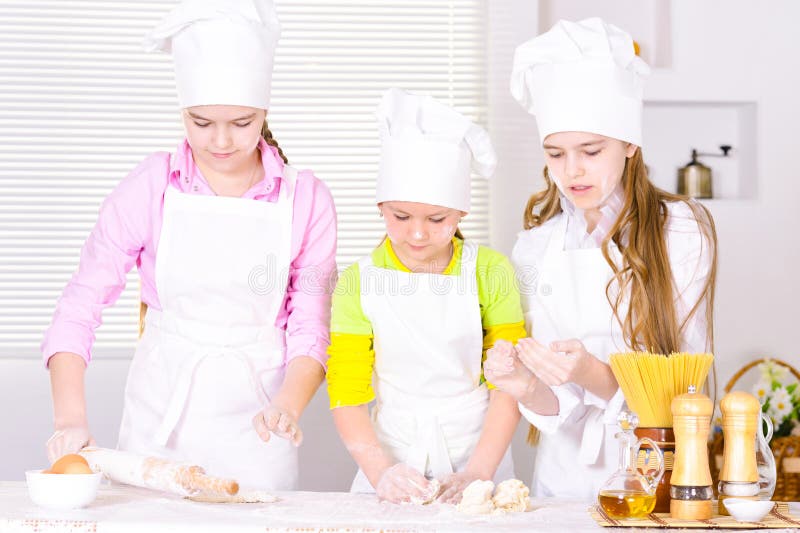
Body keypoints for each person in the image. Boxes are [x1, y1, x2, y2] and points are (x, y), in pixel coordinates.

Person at [41, 0, 337, 490]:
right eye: (201, 122)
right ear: (183, 110)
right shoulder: (152, 185)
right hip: (159, 424)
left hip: (259, 430)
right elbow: (80, 305)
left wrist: (287, 406)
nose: (221, 141)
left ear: (264, 111)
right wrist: (68, 418)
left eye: (241, 123)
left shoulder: (306, 199)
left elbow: (311, 326)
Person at [484, 18, 717, 499]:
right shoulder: (536, 246)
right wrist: (523, 384)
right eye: (556, 154)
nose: (572, 171)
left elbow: (684, 394)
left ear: (630, 143)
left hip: (656, 472)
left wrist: (592, 373)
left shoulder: (682, 231)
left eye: (591, 150)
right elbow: (556, 406)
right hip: (560, 483)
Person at [326, 88, 526, 504]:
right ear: (381, 206)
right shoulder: (357, 281)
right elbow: (347, 390)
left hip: (478, 452)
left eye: (437, 219)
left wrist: (478, 471)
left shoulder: (490, 271)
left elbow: (508, 384)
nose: (418, 234)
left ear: (460, 214)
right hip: (388, 458)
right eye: (401, 216)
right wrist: (381, 472)